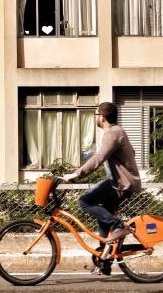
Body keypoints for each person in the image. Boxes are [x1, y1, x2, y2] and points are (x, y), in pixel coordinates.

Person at [61, 101, 142, 276]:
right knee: (103, 222)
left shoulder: (112, 133)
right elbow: (131, 153)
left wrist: (76, 174)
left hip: (121, 184)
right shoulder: (117, 132)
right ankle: (103, 263)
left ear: (102, 117)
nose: (96, 118)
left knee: (84, 201)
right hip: (117, 181)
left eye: (97, 114)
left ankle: (119, 226)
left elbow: (99, 158)